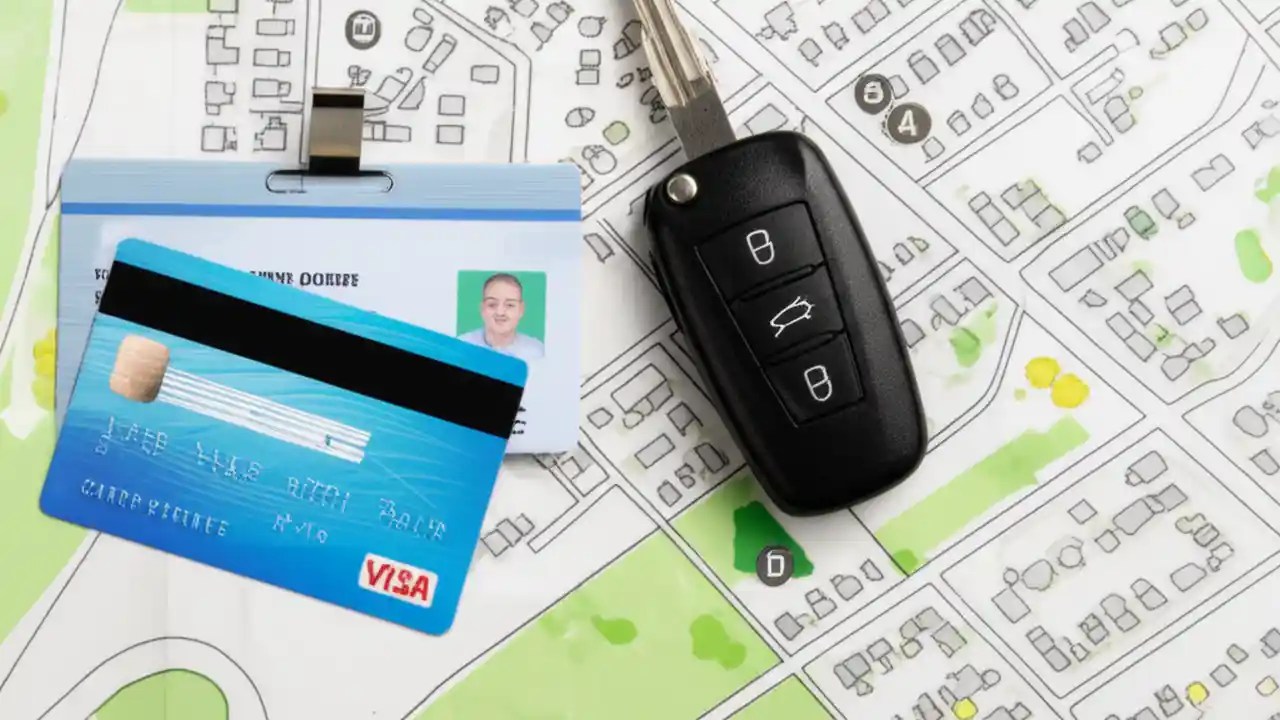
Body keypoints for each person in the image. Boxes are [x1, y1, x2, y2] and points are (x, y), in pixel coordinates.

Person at [459, 273, 545, 361]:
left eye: (510, 305)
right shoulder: (461, 347)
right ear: (482, 308)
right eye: (492, 305)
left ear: (521, 309)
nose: (500, 312)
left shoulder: (537, 352)